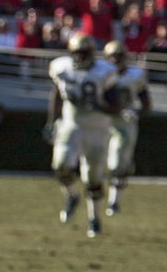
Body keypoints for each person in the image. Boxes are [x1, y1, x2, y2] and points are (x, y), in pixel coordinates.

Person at [44, 32, 120, 238]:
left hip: (98, 129)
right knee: (60, 165)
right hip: (71, 125)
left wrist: (102, 106)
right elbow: (57, 93)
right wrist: (52, 120)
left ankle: (94, 219)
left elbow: (116, 105)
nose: (80, 58)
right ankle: (72, 196)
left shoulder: (105, 72)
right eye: (77, 53)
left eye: (84, 53)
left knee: (92, 177)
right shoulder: (62, 68)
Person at [103, 40, 151, 216]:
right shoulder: (101, 74)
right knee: (103, 164)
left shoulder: (135, 75)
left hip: (124, 124)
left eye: (119, 56)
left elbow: (146, 104)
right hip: (104, 122)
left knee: (117, 164)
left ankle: (114, 201)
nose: (115, 60)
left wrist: (135, 113)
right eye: (112, 57)